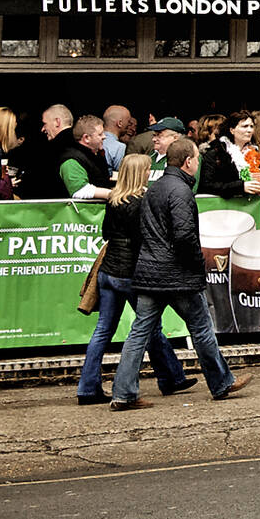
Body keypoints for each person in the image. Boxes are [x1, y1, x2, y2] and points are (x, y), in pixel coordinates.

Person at [111, 137, 246, 409]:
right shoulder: (181, 192)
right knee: (202, 329)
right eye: (196, 158)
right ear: (188, 162)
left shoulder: (154, 188)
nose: (198, 163)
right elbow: (184, 236)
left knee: (139, 333)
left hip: (150, 272)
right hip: (177, 274)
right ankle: (221, 382)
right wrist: (197, 264)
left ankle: (122, 394)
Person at [77, 154, 191, 405]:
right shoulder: (143, 201)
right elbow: (147, 237)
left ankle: (87, 388)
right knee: (147, 327)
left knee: (103, 331)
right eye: (149, 169)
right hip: (130, 274)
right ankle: (169, 378)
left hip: (108, 272)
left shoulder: (114, 200)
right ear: (141, 173)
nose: (152, 173)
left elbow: (106, 232)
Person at [11, 103, 73, 199]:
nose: (42, 129)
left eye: (45, 124)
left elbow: (38, 182)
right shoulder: (81, 143)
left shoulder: (52, 150)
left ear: (57, 122)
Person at [197, 114, 260, 198]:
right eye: (245, 126)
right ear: (232, 130)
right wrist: (240, 187)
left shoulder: (254, 152)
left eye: (251, 126)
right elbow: (206, 185)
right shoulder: (216, 152)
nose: (249, 130)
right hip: (222, 208)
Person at [58, 114, 115, 201]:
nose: (104, 137)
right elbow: (80, 191)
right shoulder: (71, 160)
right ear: (86, 138)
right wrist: (114, 194)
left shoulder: (96, 155)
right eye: (100, 134)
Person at [100, 106, 136, 175]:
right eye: (128, 122)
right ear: (119, 123)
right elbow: (121, 176)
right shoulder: (119, 147)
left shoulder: (94, 141)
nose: (129, 125)